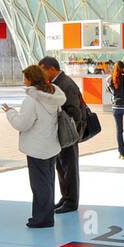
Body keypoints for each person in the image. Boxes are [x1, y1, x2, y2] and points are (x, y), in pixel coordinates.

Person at [3, 65, 67, 228]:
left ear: (31, 79)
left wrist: (10, 112)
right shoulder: (53, 94)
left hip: (36, 148)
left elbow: (22, 124)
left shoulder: (32, 99)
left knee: (39, 185)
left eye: (25, 77)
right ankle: (46, 217)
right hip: (51, 145)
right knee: (48, 183)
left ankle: (41, 219)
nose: (23, 80)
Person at [39, 56, 85, 214]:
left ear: (51, 68)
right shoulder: (57, 83)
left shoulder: (65, 84)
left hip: (68, 133)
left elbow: (75, 111)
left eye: (42, 70)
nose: (42, 74)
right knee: (61, 166)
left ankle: (71, 201)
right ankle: (65, 197)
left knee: (69, 167)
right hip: (61, 133)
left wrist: (71, 131)